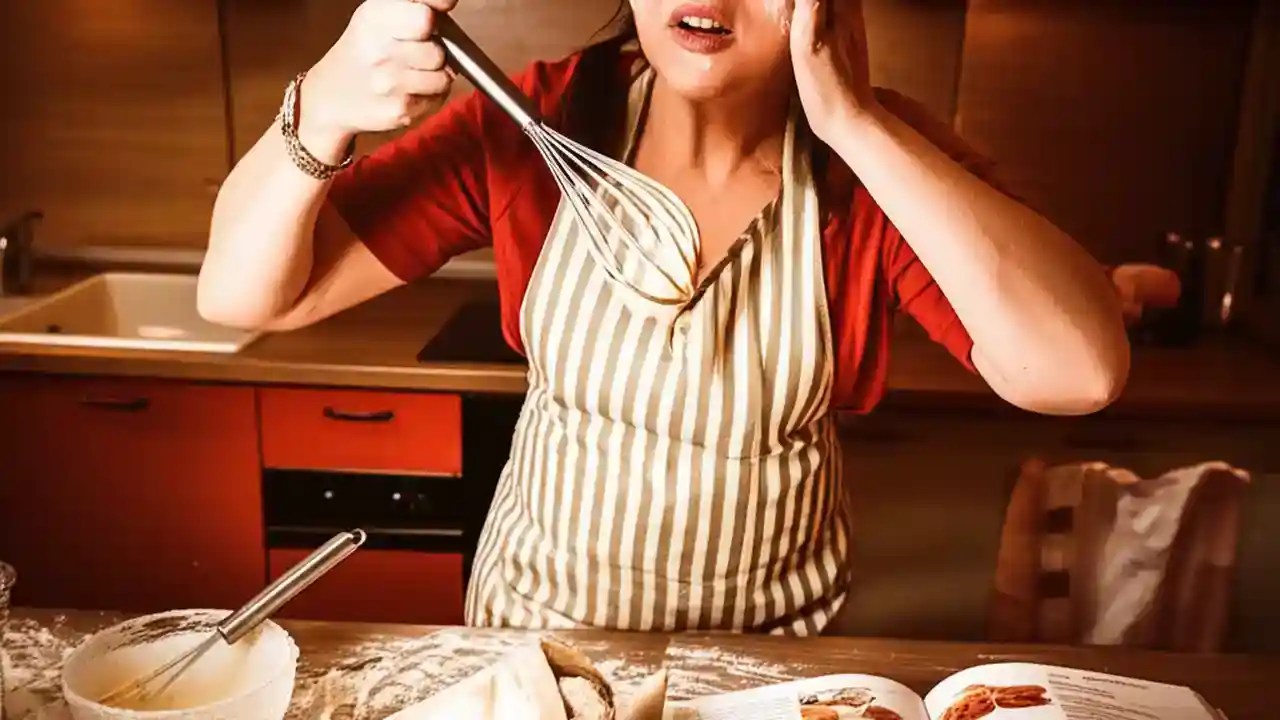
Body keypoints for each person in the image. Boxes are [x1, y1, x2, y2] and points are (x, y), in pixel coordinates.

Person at [198, 0, 1133, 635]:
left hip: (766, 673)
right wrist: (321, 105)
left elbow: (1079, 373)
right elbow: (244, 296)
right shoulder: (540, 120)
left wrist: (855, 122)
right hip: (541, 653)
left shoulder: (881, 165)